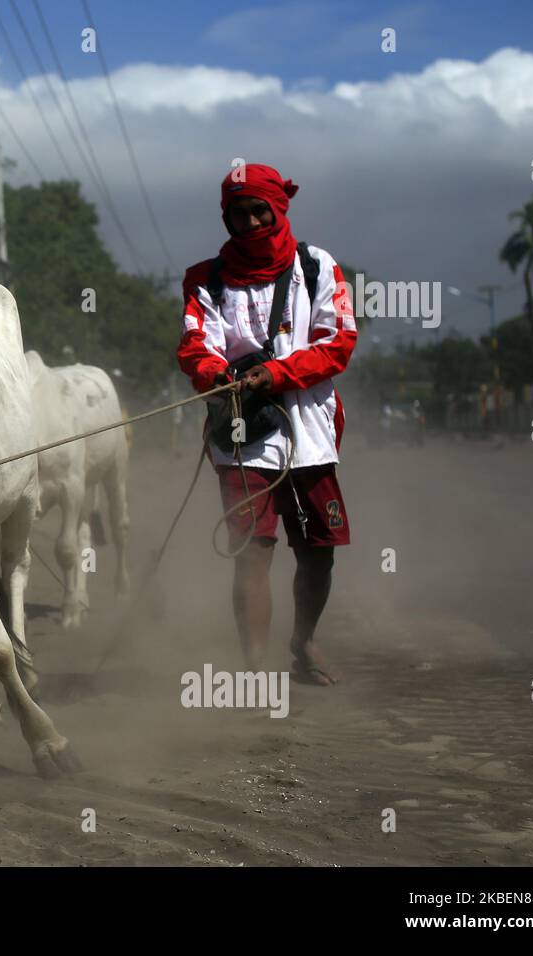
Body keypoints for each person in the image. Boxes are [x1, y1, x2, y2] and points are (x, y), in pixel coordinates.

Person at [177, 164, 358, 685]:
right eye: (240, 213)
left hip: (311, 432)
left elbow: (338, 341)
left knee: (318, 552)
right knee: (252, 553)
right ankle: (256, 671)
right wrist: (218, 374)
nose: (252, 221)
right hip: (241, 434)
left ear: (280, 210)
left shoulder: (318, 266)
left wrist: (277, 372)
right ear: (226, 217)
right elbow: (196, 346)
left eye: (262, 210)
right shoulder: (205, 279)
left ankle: (303, 644)